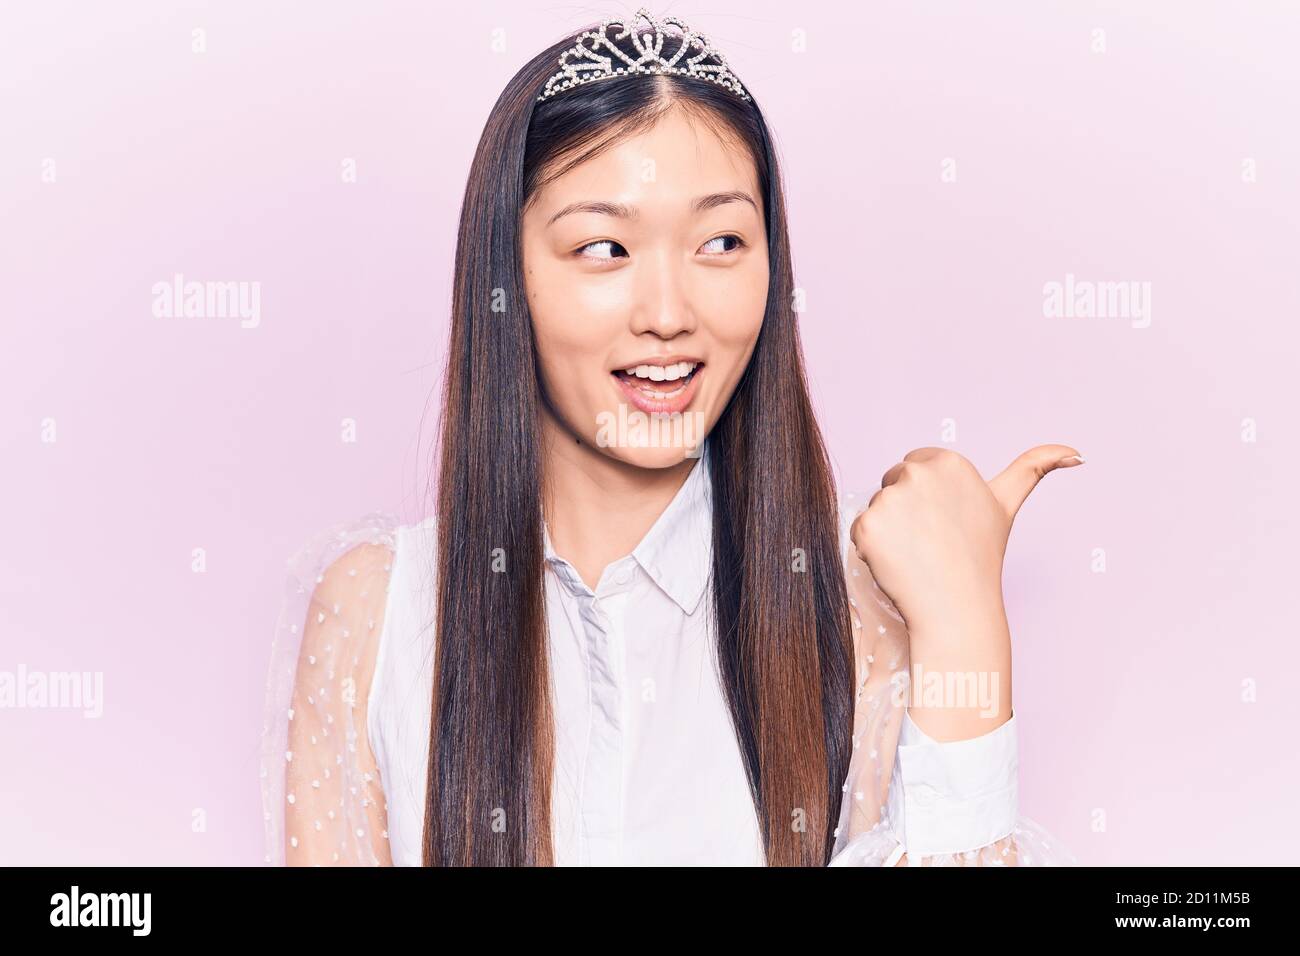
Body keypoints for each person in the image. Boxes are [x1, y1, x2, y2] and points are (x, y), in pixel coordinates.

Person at [259, 7, 1083, 867]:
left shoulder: (862, 598)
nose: (668, 316)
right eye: (605, 247)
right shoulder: (379, 616)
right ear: (507, 272)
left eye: (722, 241)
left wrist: (963, 624)